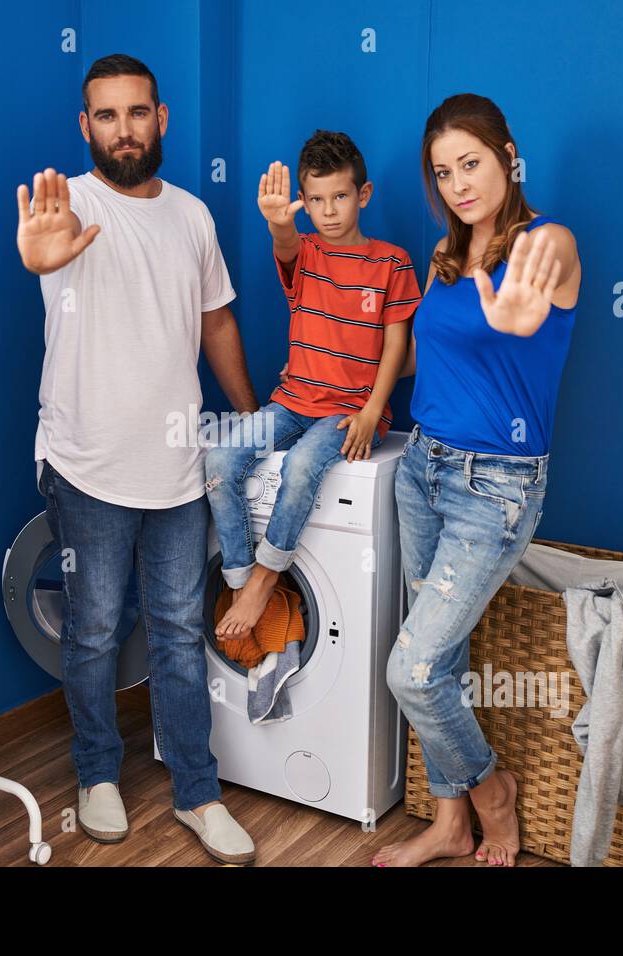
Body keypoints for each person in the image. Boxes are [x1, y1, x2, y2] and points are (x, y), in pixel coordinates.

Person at [15, 53, 261, 865]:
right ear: (85, 127)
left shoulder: (191, 215)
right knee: (90, 632)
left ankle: (197, 790)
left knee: (180, 633)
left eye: (138, 112)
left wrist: (252, 418)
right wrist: (44, 262)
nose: (125, 129)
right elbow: (43, 259)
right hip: (86, 464)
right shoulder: (66, 207)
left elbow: (216, 323)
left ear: (163, 120)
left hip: (177, 466)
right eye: (107, 116)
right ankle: (98, 776)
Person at [371, 93, 581, 869]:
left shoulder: (545, 244)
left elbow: (544, 272)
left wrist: (521, 314)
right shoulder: (444, 257)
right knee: (445, 663)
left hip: (496, 486)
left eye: (472, 163)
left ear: (508, 156)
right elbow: (440, 357)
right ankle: (451, 825)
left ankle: (496, 796)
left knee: (413, 669)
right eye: (443, 171)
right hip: (421, 469)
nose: (459, 183)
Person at [206, 131, 418, 640]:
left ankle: (266, 576)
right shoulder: (304, 253)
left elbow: (396, 346)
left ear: (363, 195)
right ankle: (238, 579)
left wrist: (373, 409)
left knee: (301, 467)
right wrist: (280, 223)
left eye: (340, 197)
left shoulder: (392, 263)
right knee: (219, 460)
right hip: (292, 401)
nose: (328, 210)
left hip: (347, 412)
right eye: (316, 200)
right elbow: (285, 243)